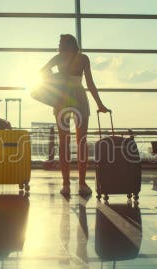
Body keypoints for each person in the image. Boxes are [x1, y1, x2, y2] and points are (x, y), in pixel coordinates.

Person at [40, 34, 110, 196]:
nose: (58, 45)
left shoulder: (58, 58)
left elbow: (42, 72)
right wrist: (100, 104)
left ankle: (66, 185)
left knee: (64, 143)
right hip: (79, 97)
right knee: (82, 142)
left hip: (62, 98)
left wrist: (56, 79)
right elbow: (90, 83)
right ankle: (82, 183)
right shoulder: (83, 58)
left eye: (60, 42)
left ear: (66, 44)